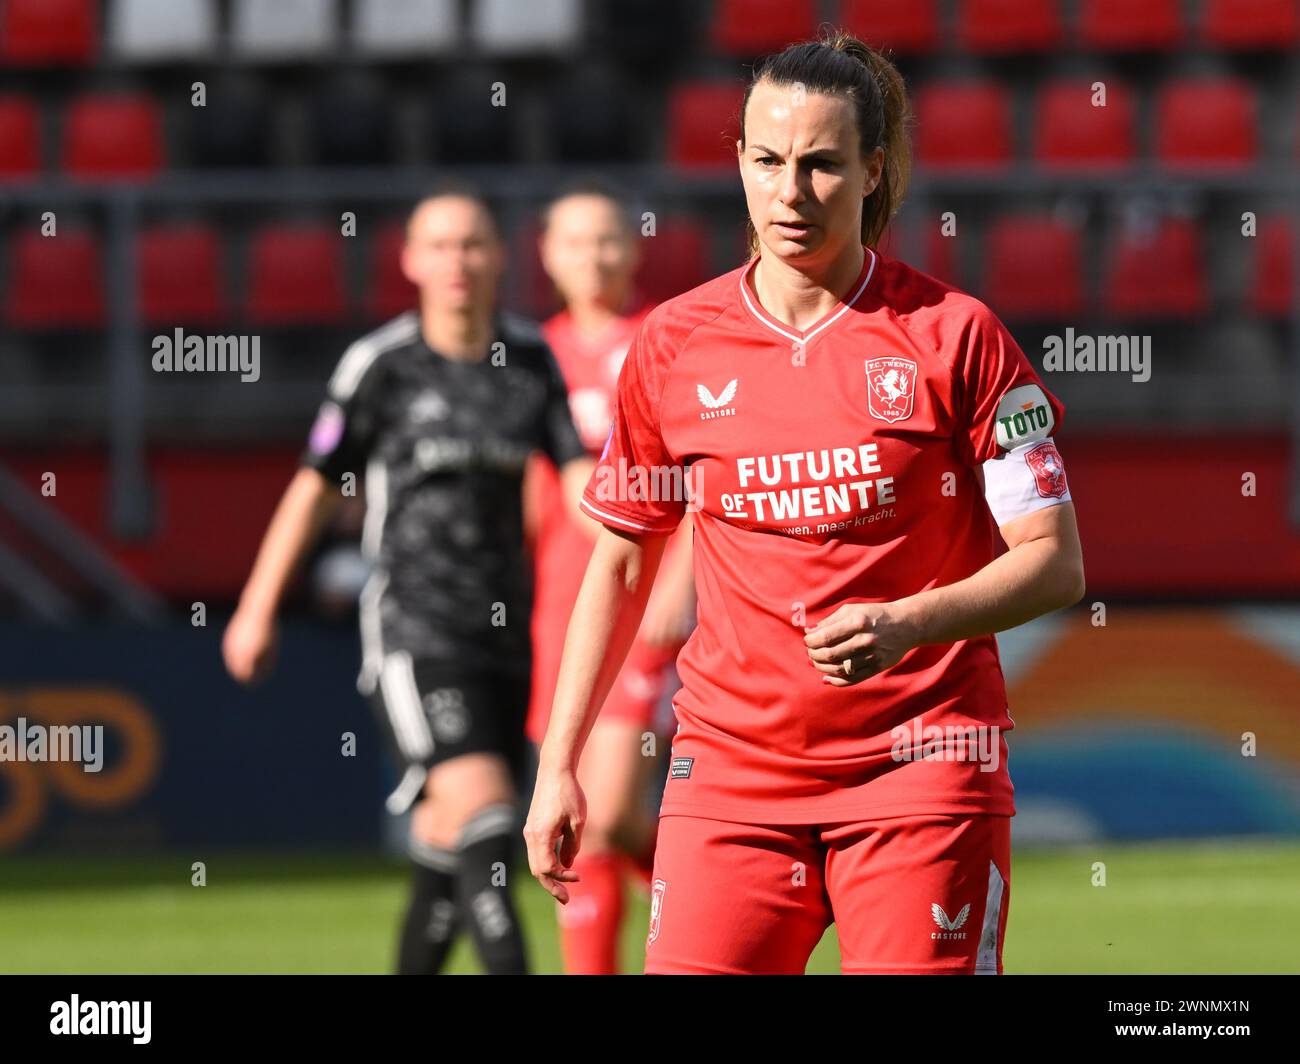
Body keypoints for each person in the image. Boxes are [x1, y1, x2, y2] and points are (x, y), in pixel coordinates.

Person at [524, 31, 1086, 975]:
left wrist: (907, 623)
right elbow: (620, 559)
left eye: (823, 165)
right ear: (739, 163)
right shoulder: (674, 345)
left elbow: (1054, 561)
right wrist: (559, 766)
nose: (791, 193)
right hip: (731, 780)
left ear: (872, 170)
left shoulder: (956, 337)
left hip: (923, 774)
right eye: (769, 161)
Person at [223, 189, 591, 975]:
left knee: (443, 845)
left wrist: (658, 554)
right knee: (492, 823)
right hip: (414, 633)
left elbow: (580, 484)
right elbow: (314, 488)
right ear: (411, 261)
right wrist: (256, 609)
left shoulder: (529, 361)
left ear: (499, 257)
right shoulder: (381, 366)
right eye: (441, 245)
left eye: (473, 245)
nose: (457, 262)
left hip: (506, 636)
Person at [523, 183, 695, 973]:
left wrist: (677, 583)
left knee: (617, 803)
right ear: (547, 255)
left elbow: (705, 481)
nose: (593, 255)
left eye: (607, 239)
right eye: (574, 240)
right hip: (561, 609)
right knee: (583, 817)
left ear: (635, 246)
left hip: (638, 601)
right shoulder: (534, 355)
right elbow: (533, 496)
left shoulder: (667, 339)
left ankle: (723, 919)